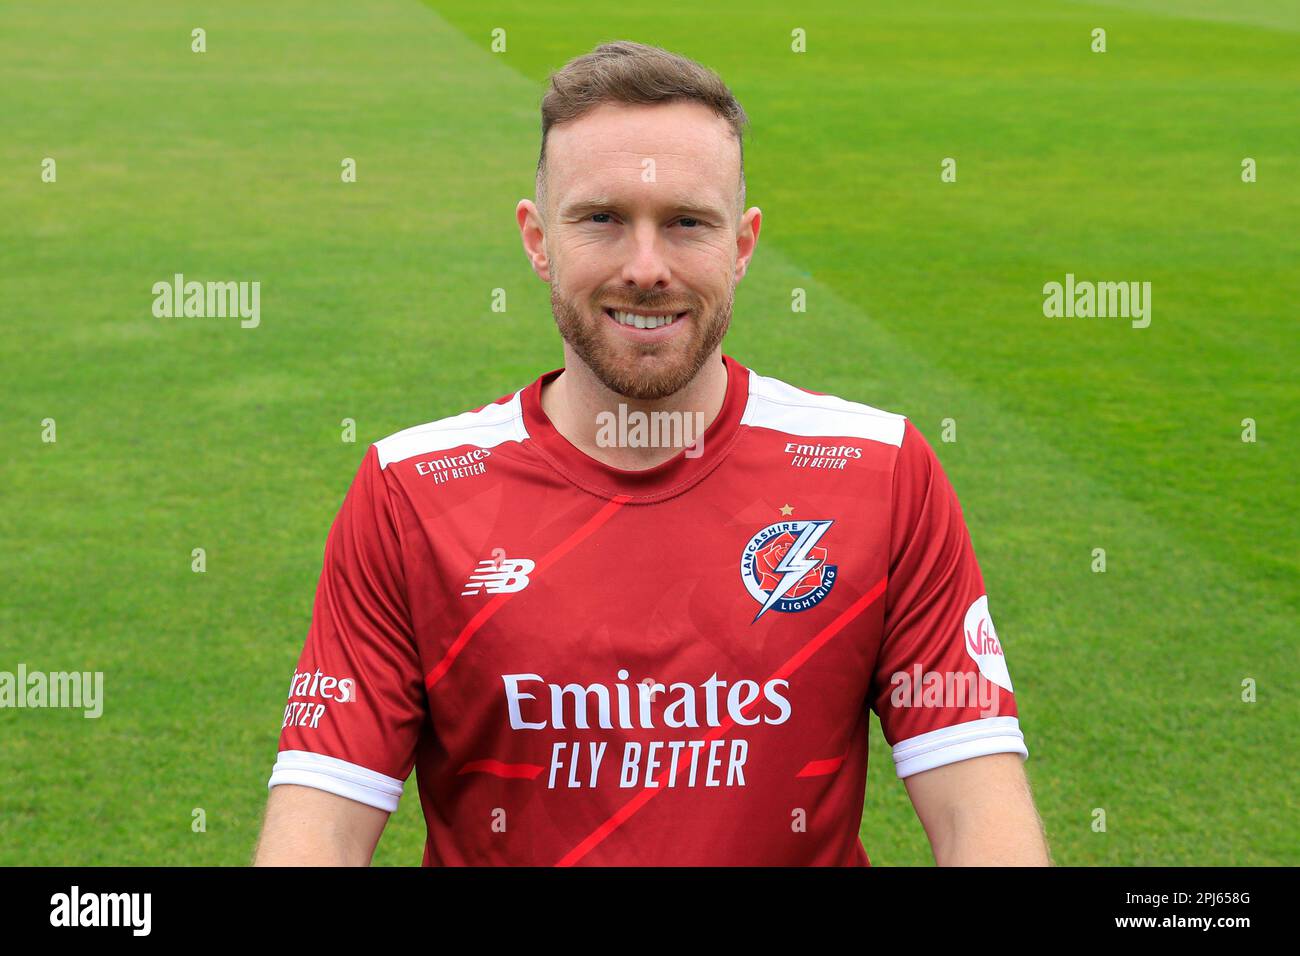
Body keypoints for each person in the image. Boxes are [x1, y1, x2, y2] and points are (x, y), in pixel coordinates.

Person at [253, 40, 1050, 866]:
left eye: (686, 223)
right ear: (536, 239)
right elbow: (323, 822)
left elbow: (975, 807)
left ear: (742, 245)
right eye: (601, 219)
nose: (646, 268)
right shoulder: (411, 491)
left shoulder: (879, 472)